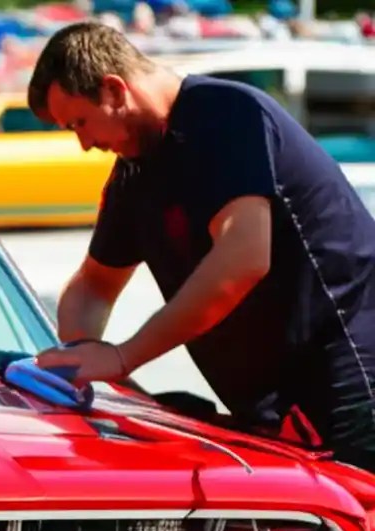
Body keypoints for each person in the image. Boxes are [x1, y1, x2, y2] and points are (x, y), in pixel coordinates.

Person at [25, 21, 375, 470]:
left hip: (352, 382)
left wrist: (122, 356)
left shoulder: (225, 116)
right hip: (273, 413)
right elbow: (93, 286)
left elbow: (244, 257)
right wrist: (80, 362)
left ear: (114, 90)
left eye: (80, 123)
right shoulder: (134, 175)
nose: (85, 143)